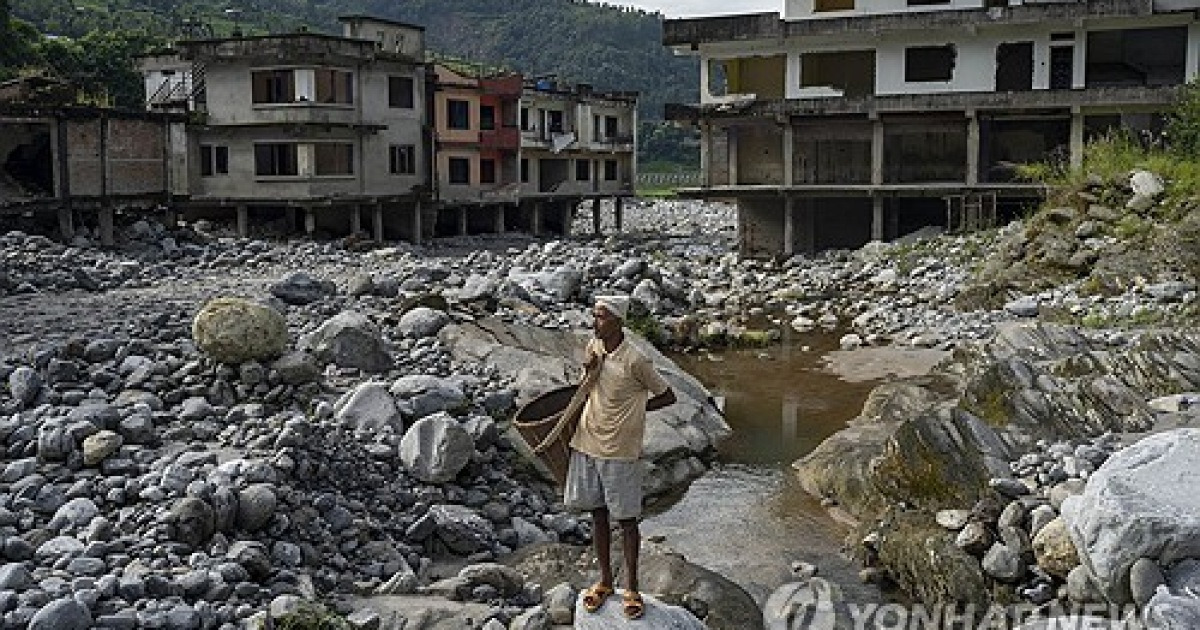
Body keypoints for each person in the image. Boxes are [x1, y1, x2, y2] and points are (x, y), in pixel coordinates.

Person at [565, 295, 677, 620]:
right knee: (597, 514)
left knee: (627, 521)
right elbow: (587, 387)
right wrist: (588, 370)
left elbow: (667, 395)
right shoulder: (594, 347)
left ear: (618, 321)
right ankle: (604, 581)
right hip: (588, 440)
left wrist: (636, 411)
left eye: (601, 317)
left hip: (619, 449)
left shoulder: (636, 360)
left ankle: (632, 588)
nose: (595, 322)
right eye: (595, 315)